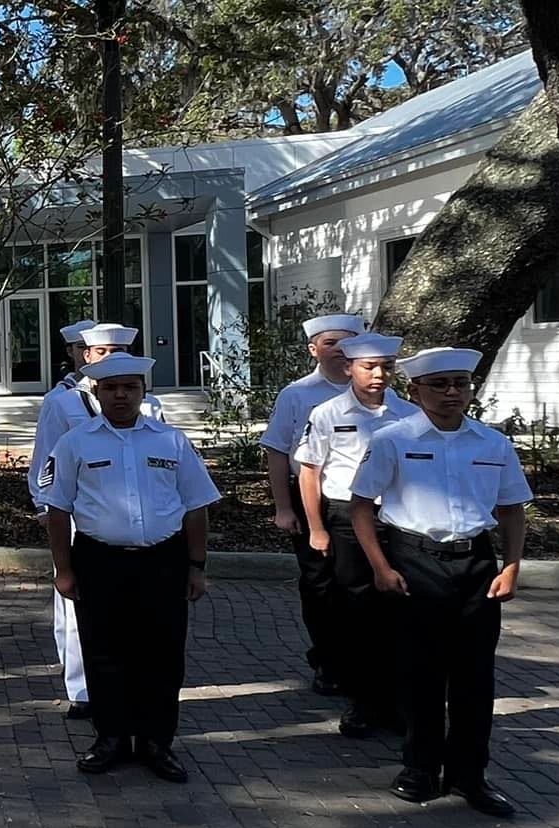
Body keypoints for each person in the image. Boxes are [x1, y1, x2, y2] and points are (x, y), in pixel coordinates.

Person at [348, 347, 531, 818]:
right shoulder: (393, 439)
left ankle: (470, 775)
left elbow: (511, 510)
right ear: (416, 390)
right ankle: (420, 768)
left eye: (461, 384)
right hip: (415, 561)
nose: (452, 393)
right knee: (421, 674)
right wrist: (380, 566)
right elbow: (361, 506)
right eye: (440, 384)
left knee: (475, 677)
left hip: (476, 565)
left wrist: (511, 566)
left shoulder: (492, 444)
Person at [41, 353, 219, 784]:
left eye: (130, 387)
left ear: (143, 391)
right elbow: (57, 510)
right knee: (104, 653)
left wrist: (196, 566)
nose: (121, 395)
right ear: (97, 392)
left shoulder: (171, 441)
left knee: (162, 654)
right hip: (99, 560)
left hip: (163, 561)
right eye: (110, 388)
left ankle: (157, 742)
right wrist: (63, 571)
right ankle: (111, 739)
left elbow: (197, 506)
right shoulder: (75, 443)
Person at [26, 320, 150, 718]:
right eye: (102, 353)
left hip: (135, 516)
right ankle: (83, 688)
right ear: (86, 357)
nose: (111, 360)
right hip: (79, 513)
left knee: (132, 607)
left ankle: (128, 680)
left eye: (119, 352)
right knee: (77, 605)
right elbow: (45, 459)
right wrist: (46, 506)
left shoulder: (151, 404)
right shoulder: (62, 403)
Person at [294, 333, 414, 739]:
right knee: (357, 611)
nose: (379, 375)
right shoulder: (327, 413)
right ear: (349, 368)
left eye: (386, 367)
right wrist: (316, 527)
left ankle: (397, 702)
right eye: (368, 367)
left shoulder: (410, 414)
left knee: (399, 611)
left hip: (398, 517)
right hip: (347, 517)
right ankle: (363, 703)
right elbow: (310, 471)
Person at [261, 312, 365, 694]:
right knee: (320, 585)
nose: (339, 350)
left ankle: (364, 663)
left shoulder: (379, 391)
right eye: (329, 343)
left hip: (366, 503)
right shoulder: (298, 394)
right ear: (313, 350)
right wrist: (283, 508)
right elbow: (276, 452)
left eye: (347, 342)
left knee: (361, 585)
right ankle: (328, 659)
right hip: (313, 499)